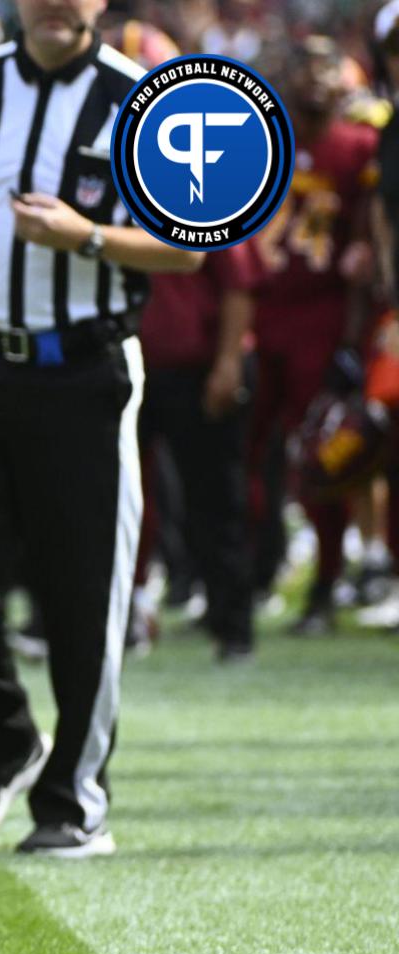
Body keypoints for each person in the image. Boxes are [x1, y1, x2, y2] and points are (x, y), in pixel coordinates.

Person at [0, 0, 203, 859]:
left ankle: (74, 800)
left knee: (82, 595)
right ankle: (4, 745)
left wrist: (87, 236)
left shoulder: (146, 96)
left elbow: (191, 246)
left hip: (86, 369)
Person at [248, 36, 380, 635]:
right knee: (248, 456)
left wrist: (355, 325)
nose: (317, 83)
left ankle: (325, 584)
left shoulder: (360, 148)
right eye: (306, 70)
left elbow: (371, 240)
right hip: (258, 310)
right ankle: (254, 571)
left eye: (328, 70)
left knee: (323, 454)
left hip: (320, 318)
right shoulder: (257, 141)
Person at [136, 242, 262, 662]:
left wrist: (228, 362)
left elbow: (238, 285)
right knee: (110, 498)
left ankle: (232, 625)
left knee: (214, 497)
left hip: (194, 365)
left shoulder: (199, 195)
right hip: (122, 362)